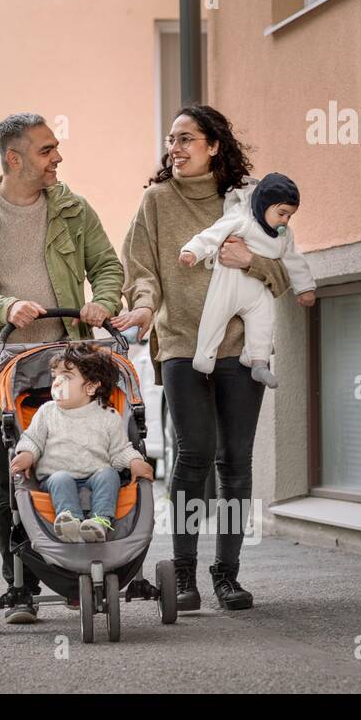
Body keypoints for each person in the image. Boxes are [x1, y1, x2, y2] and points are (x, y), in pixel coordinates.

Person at [112, 105, 304, 611]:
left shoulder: (250, 198)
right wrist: (145, 306)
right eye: (171, 140)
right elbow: (140, 268)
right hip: (180, 344)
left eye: (186, 139)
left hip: (242, 351)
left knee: (235, 463)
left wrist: (254, 261)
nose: (174, 148)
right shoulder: (156, 201)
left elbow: (285, 275)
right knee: (193, 455)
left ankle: (228, 574)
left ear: (214, 145)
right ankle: (183, 574)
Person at [0, 112, 124, 624]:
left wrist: (103, 301)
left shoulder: (73, 208)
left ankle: (76, 575)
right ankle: (19, 585)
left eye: (56, 148)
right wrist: (3, 307)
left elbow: (107, 266)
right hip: (2, 369)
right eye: (46, 150)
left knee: (79, 466)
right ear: (13, 158)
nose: (57, 158)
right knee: (11, 481)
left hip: (70, 365)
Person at [179, 171, 316, 388]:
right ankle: (204, 359)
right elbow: (213, 234)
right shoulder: (242, 219)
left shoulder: (284, 235)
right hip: (230, 283)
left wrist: (305, 288)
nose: (285, 220)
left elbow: (294, 261)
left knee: (265, 319)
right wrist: (194, 251)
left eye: (289, 216)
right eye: (281, 213)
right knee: (215, 315)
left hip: (257, 290)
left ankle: (258, 363)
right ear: (264, 204)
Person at [8, 343, 155, 543]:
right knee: (61, 479)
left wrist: (133, 461)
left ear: (91, 386)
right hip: (55, 477)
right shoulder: (47, 412)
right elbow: (32, 439)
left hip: (96, 474)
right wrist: (26, 454)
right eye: (55, 377)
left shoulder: (108, 416)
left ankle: (100, 522)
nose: (57, 383)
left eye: (66, 377)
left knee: (109, 474)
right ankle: (70, 522)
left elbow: (120, 450)